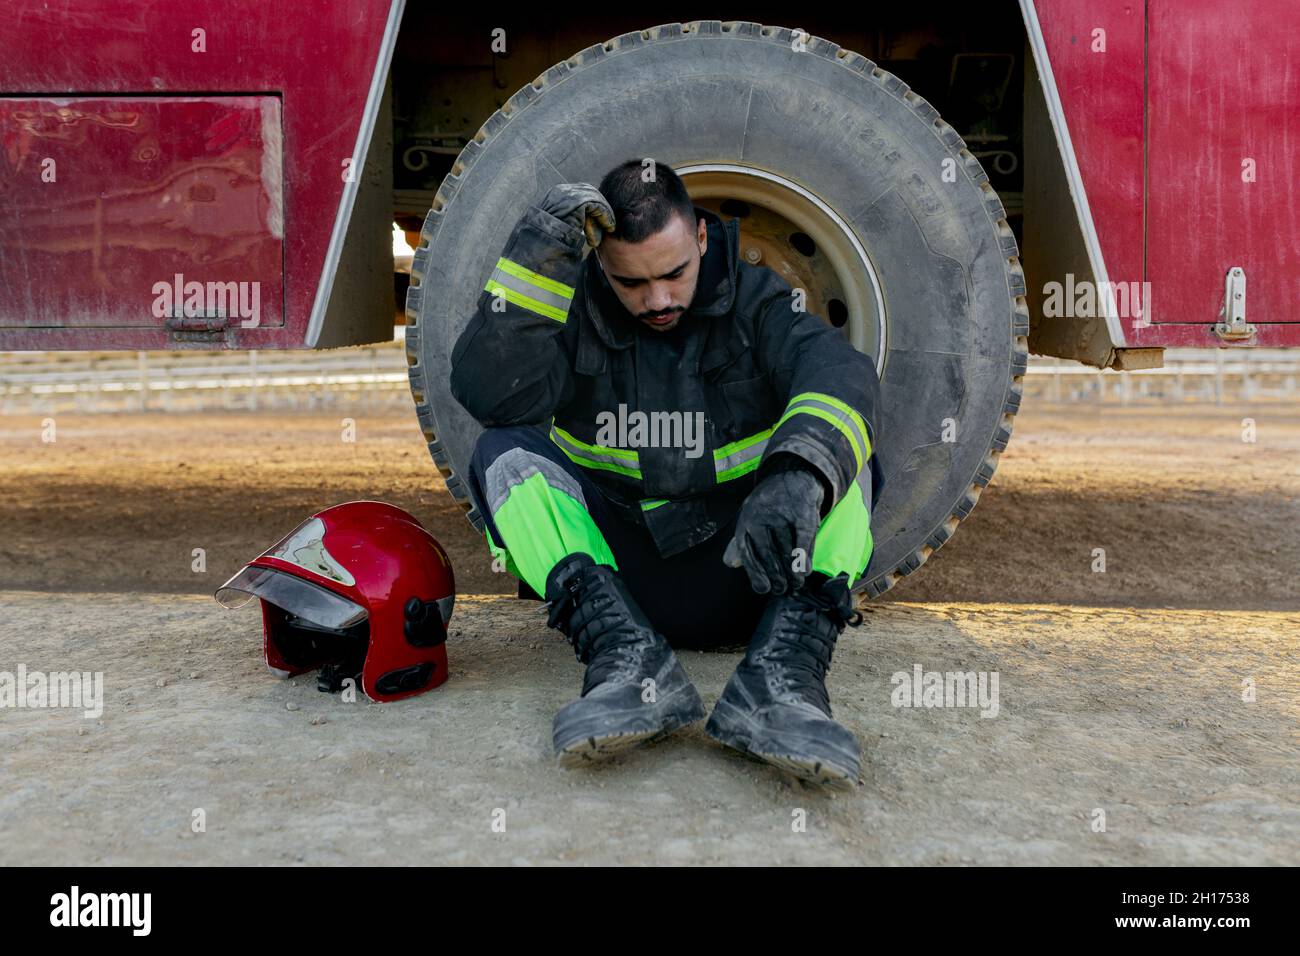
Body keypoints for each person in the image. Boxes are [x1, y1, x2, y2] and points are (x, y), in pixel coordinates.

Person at [449, 159, 885, 788]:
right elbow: (492, 396)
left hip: (754, 579)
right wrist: (536, 257)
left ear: (702, 238)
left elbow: (839, 373)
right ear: (602, 264)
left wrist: (794, 475)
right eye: (632, 282)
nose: (657, 300)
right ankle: (627, 669)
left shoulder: (764, 303)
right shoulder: (571, 312)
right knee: (504, 451)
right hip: (619, 593)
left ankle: (783, 681)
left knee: (842, 451)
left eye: (675, 273)